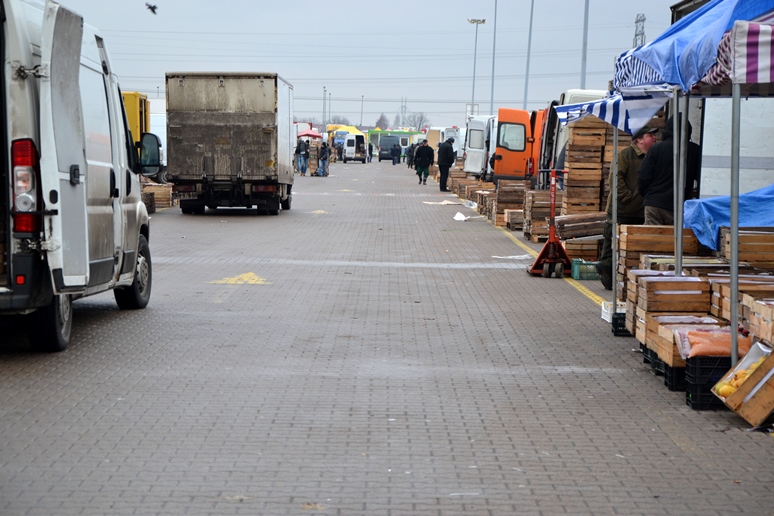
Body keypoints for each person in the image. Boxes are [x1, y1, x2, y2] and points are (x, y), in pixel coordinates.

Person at [595, 125, 658, 290]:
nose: (654, 138)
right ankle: (606, 271)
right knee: (612, 242)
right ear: (639, 139)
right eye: (650, 135)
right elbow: (615, 180)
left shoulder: (652, 156)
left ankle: (617, 276)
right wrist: (628, 198)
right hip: (621, 210)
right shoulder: (625, 155)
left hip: (639, 212)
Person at [638, 116, 701, 226]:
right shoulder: (694, 150)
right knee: (674, 240)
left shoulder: (656, 148)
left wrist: (647, 194)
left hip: (655, 204)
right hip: (679, 205)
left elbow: (644, 176)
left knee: (653, 239)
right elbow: (700, 177)